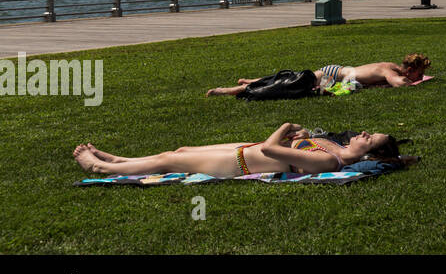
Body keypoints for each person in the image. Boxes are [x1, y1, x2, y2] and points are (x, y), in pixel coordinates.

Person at [73, 123, 401, 177]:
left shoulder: (330, 159)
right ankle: (121, 159)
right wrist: (302, 134)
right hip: (246, 149)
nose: (363, 133)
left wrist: (286, 128)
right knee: (181, 148)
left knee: (170, 161)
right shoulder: (336, 146)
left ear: (368, 154)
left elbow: (273, 151)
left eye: (369, 138)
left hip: (240, 162)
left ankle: (104, 168)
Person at [206, 54, 432, 97]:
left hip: (337, 75)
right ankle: (229, 90)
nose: (418, 78)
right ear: (410, 70)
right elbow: (400, 85)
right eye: (419, 74)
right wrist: (420, 84)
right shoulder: (390, 71)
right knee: (290, 84)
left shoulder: (390, 66)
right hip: (333, 77)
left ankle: (250, 81)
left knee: (291, 79)